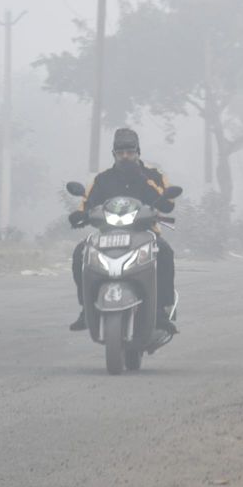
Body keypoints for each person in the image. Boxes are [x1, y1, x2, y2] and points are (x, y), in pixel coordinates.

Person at [69, 128, 178, 334]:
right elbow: (87, 202)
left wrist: (143, 177)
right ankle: (86, 308)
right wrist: (79, 215)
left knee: (164, 252)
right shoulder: (102, 179)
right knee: (80, 253)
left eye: (130, 151)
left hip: (145, 233)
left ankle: (161, 311)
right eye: (121, 152)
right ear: (114, 154)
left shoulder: (153, 175)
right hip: (107, 234)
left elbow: (168, 203)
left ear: (138, 152)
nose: (125, 156)